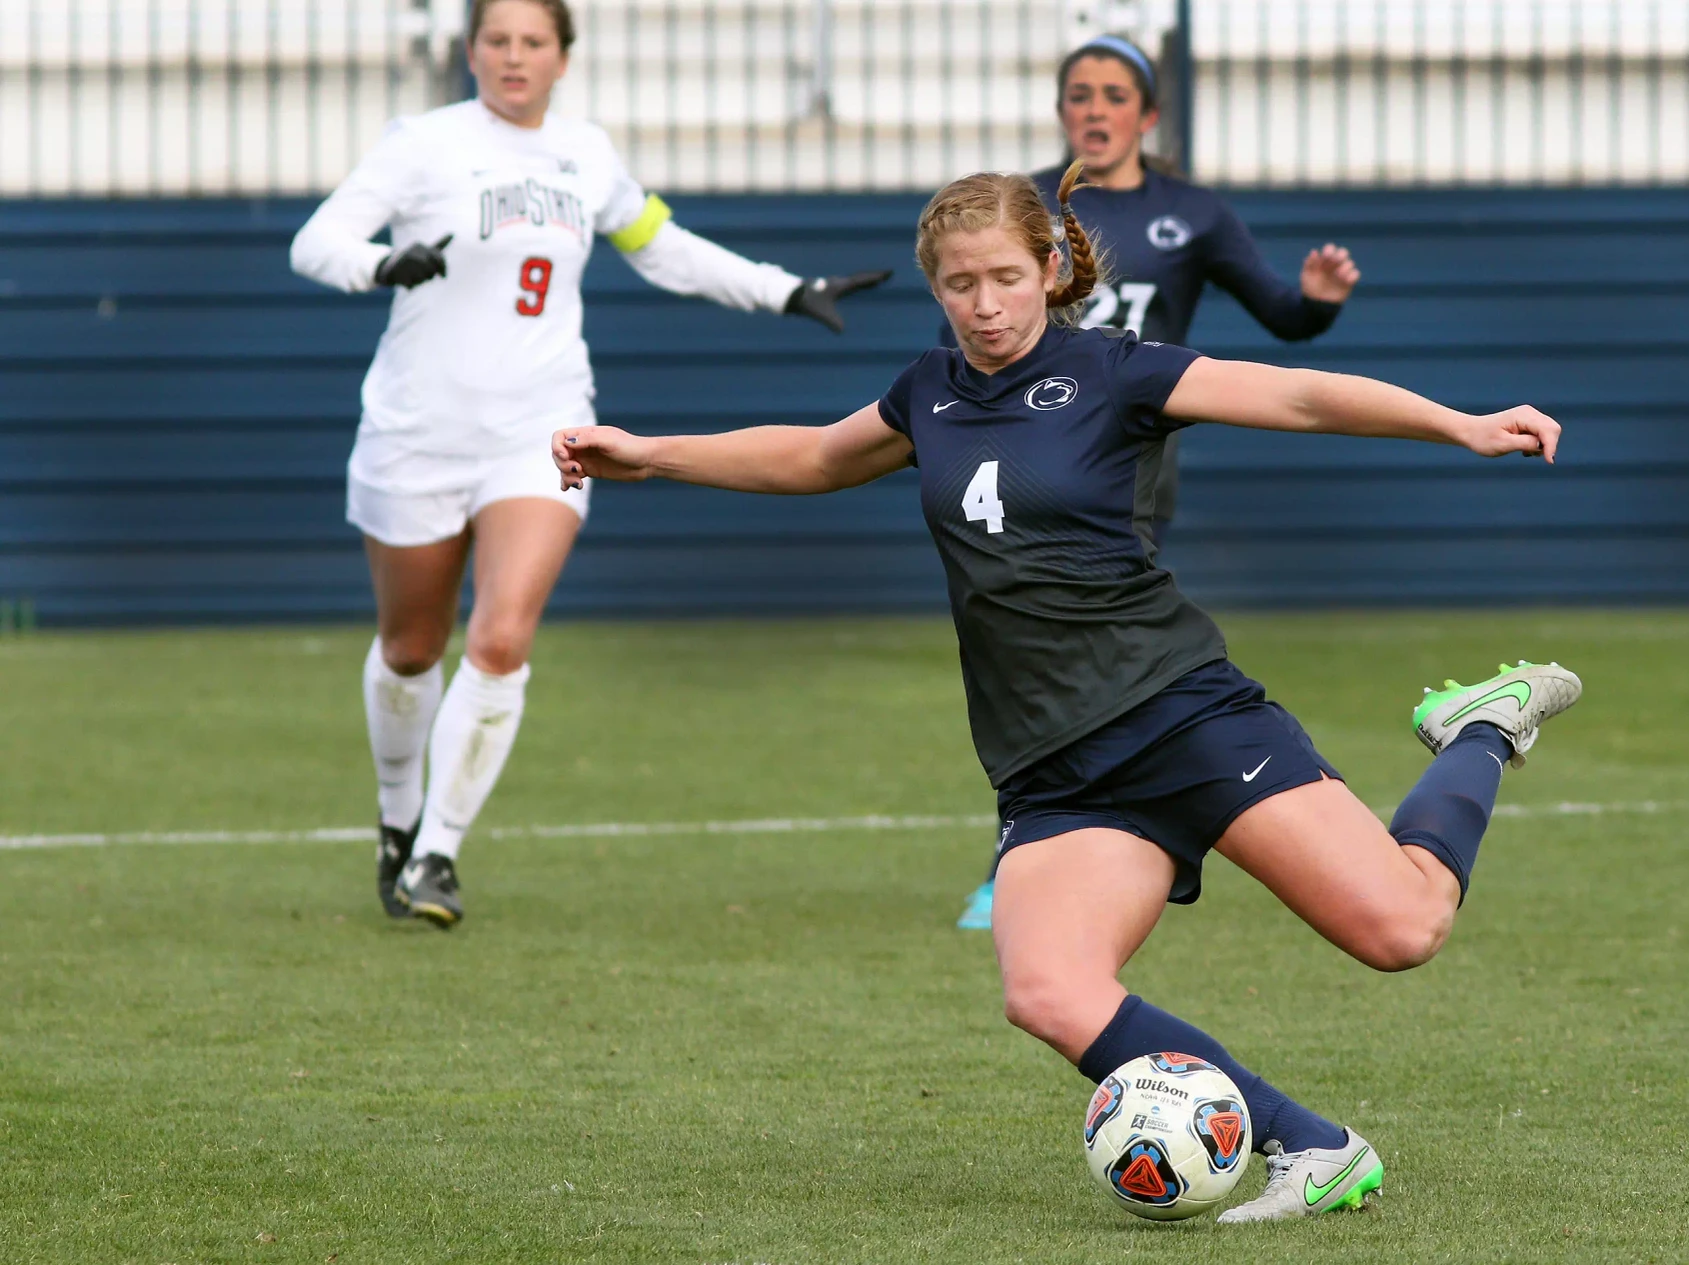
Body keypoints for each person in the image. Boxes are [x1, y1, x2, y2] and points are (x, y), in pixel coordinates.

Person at [552, 165, 1582, 1221]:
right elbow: (817, 455)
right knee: (1046, 990)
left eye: (1005, 276)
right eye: (960, 284)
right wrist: (651, 454)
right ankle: (1309, 1144)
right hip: (1051, 765)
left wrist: (1457, 421)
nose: (985, 304)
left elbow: (1297, 391)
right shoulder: (929, 391)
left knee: (1402, 928)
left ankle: (1481, 727)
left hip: (1180, 711)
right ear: (937, 287)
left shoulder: (1113, 371)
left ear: (1050, 270)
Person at [289, 0, 889, 928]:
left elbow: (663, 250)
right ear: (469, 51)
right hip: (416, 431)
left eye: (534, 41)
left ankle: (438, 854)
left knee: (500, 639)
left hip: (542, 429)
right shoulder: (422, 142)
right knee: (412, 649)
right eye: (497, 40)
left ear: (564, 57)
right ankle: (397, 820)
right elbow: (316, 242)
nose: (514, 57)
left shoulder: (588, 155)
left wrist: (785, 288)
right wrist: (382, 265)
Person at [947, 36, 1361, 928]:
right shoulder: (1024, 209)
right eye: (1078, 95)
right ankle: (1039, 844)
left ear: (1148, 113)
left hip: (1125, 471)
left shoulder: (1192, 214)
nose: (1093, 110)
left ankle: (1152, 813)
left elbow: (1282, 321)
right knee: (1029, 638)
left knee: (1087, 646)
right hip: (1031, 465)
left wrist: (1318, 299)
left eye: (1112, 95)